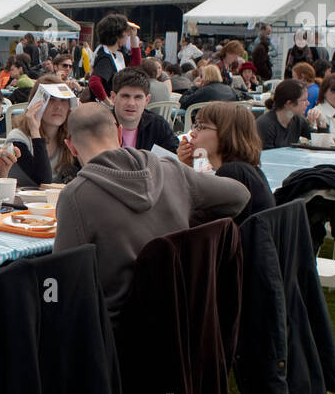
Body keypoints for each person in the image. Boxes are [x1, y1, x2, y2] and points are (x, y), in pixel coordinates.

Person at [52, 102, 250, 318]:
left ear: (70, 147)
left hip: (116, 330)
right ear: (119, 134)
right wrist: (185, 211)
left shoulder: (76, 196)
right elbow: (240, 196)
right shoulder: (173, 171)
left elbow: (63, 278)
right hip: (183, 316)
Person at [177, 101, 275, 224]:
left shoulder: (232, 173)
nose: (192, 133)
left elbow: (194, 223)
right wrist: (189, 167)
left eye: (201, 126)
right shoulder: (248, 170)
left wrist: (182, 170)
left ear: (226, 134)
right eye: (195, 125)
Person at [7, 77, 79, 186]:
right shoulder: (18, 138)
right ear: (35, 103)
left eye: (64, 100)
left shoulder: (68, 137)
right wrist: (35, 132)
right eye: (51, 99)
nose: (58, 107)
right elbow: (43, 181)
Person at [109, 68, 178, 154]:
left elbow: (174, 157)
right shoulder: (99, 125)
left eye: (138, 97)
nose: (131, 103)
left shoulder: (158, 125)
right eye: (125, 96)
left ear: (147, 100)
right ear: (113, 97)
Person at [255, 78, 312, 149]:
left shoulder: (298, 120)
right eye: (304, 100)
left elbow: (317, 140)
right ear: (289, 103)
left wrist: (321, 125)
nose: (307, 103)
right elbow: (266, 156)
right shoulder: (265, 124)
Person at [89, 13, 128, 100]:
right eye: (127, 32)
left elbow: (136, 66)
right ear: (119, 35)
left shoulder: (109, 53)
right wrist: (108, 103)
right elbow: (94, 82)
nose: (128, 35)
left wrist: (133, 39)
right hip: (105, 109)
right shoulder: (106, 57)